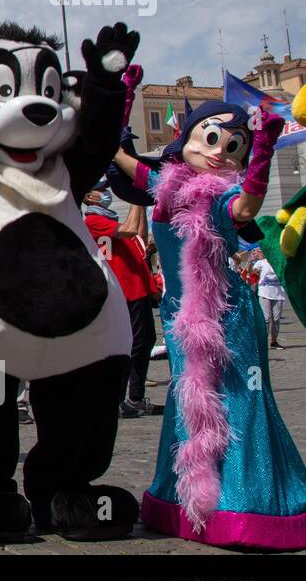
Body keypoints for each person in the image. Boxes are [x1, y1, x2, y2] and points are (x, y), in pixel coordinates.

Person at [116, 99, 306, 549]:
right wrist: (123, 99)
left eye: (235, 146)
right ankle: (180, 502)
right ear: (188, 137)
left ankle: (248, 506)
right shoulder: (164, 183)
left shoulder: (220, 196)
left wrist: (262, 151)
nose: (221, 151)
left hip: (227, 319)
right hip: (182, 320)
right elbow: (119, 156)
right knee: (189, 406)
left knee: (239, 405)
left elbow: (245, 209)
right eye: (213, 137)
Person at [82, 186, 163, 417]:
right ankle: (119, 398)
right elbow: (128, 230)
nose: (106, 194)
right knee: (132, 345)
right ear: (89, 196)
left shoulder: (108, 220)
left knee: (145, 341)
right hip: (125, 289)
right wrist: (135, 196)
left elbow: (137, 234)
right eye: (100, 190)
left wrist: (139, 201)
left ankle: (134, 397)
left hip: (136, 288)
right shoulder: (94, 220)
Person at [253, 249, 287, 350]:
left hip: (278, 294)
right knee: (266, 318)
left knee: (276, 319)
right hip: (264, 293)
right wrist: (251, 262)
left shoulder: (280, 262)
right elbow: (252, 271)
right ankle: (263, 343)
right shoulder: (261, 263)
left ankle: (274, 342)